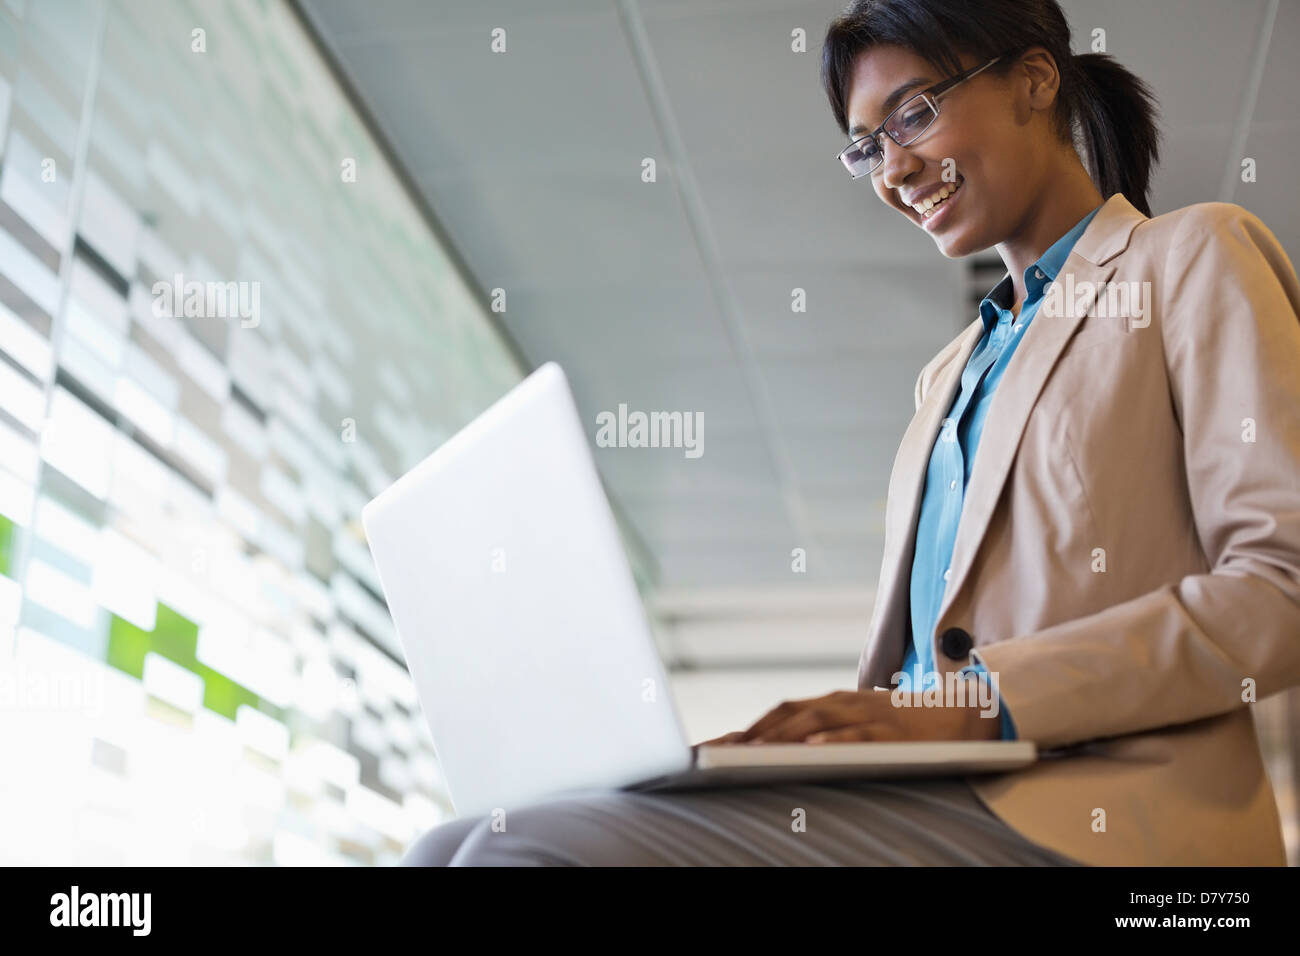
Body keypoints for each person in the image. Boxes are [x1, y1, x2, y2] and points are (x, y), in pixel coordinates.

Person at [403, 0, 1300, 866]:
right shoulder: (946, 378)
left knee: (523, 849)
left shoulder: (1192, 258)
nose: (892, 169)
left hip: (1104, 816)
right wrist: (808, 745)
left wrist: (978, 703)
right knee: (451, 842)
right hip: (923, 791)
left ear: (1034, 79)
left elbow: (1282, 585)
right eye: (868, 145)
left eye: (914, 115)